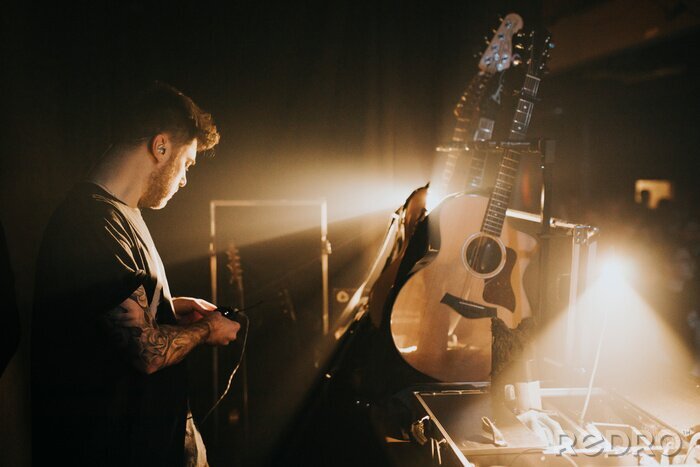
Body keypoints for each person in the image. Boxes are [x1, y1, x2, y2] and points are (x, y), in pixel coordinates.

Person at [31, 82, 240, 466]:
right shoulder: (88, 223)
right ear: (160, 147)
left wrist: (168, 309)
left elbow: (108, 314)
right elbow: (146, 351)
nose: (184, 180)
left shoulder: (125, 216)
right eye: (187, 163)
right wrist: (208, 329)